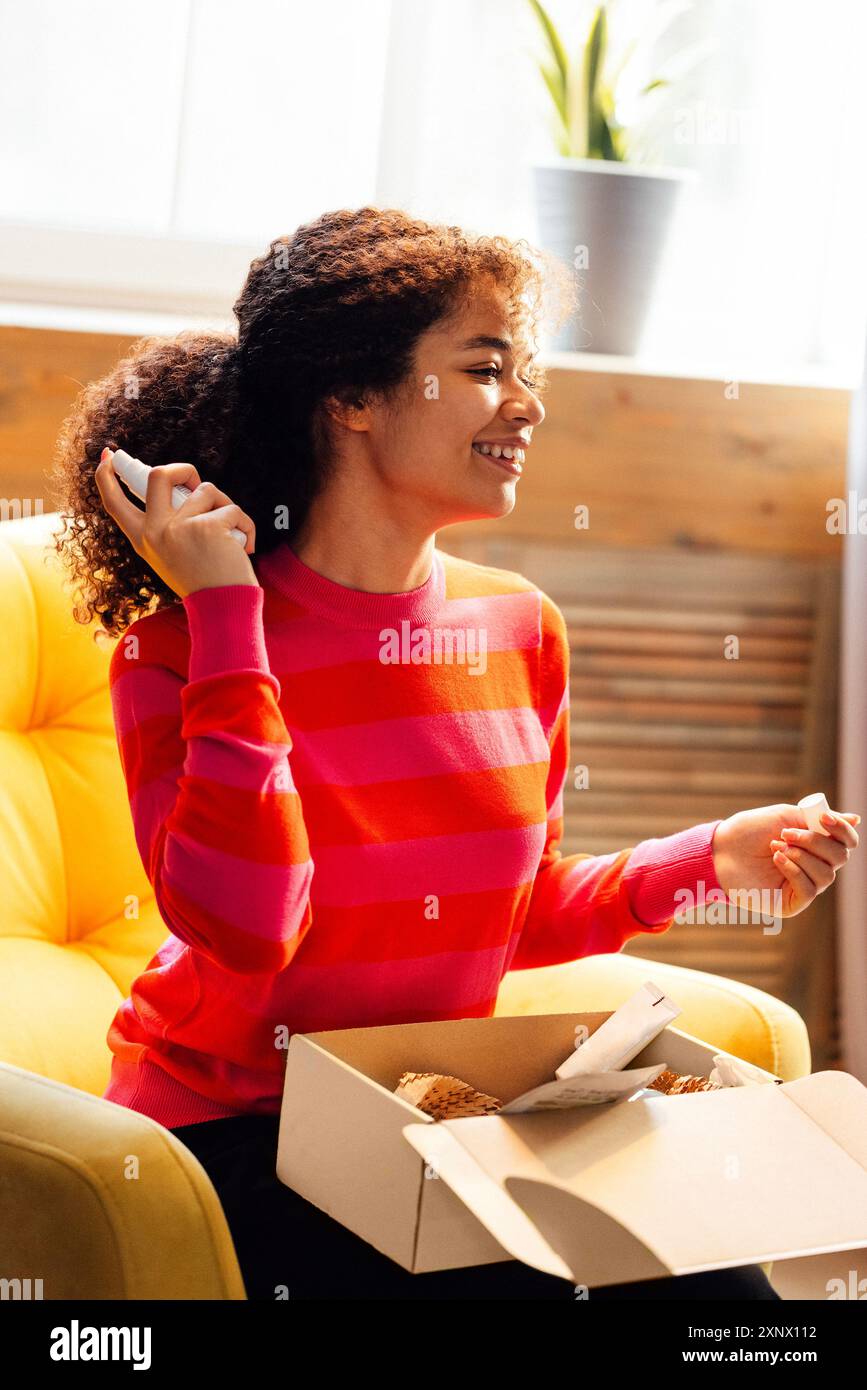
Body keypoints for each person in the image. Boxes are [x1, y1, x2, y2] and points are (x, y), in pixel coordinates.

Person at [52, 207, 858, 1300]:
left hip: (417, 1116)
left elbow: (506, 912)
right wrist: (231, 614)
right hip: (237, 1136)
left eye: (526, 372)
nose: (527, 406)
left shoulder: (520, 626)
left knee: (717, 1291)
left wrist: (709, 859)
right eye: (485, 370)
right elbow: (247, 929)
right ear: (350, 396)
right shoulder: (179, 649)